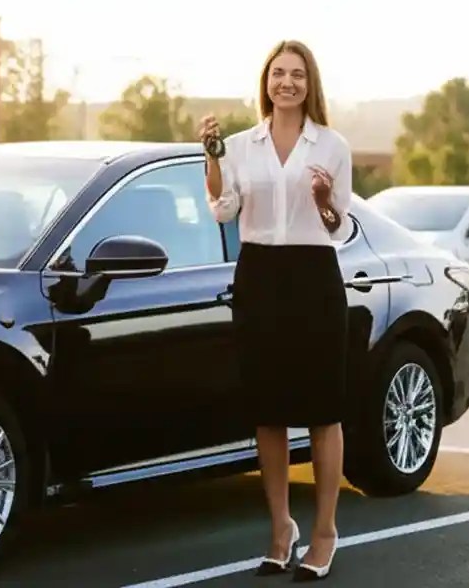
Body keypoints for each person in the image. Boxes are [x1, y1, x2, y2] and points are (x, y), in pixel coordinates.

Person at [200, 39, 352, 582]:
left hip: (313, 277)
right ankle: (280, 528)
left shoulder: (332, 145)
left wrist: (325, 202)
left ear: (310, 83)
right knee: (269, 410)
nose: (287, 82)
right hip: (260, 277)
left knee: (321, 409)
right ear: (266, 81)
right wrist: (212, 161)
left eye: (297, 74)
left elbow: (342, 228)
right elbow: (223, 207)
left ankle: (325, 531)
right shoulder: (241, 145)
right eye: (278, 73)